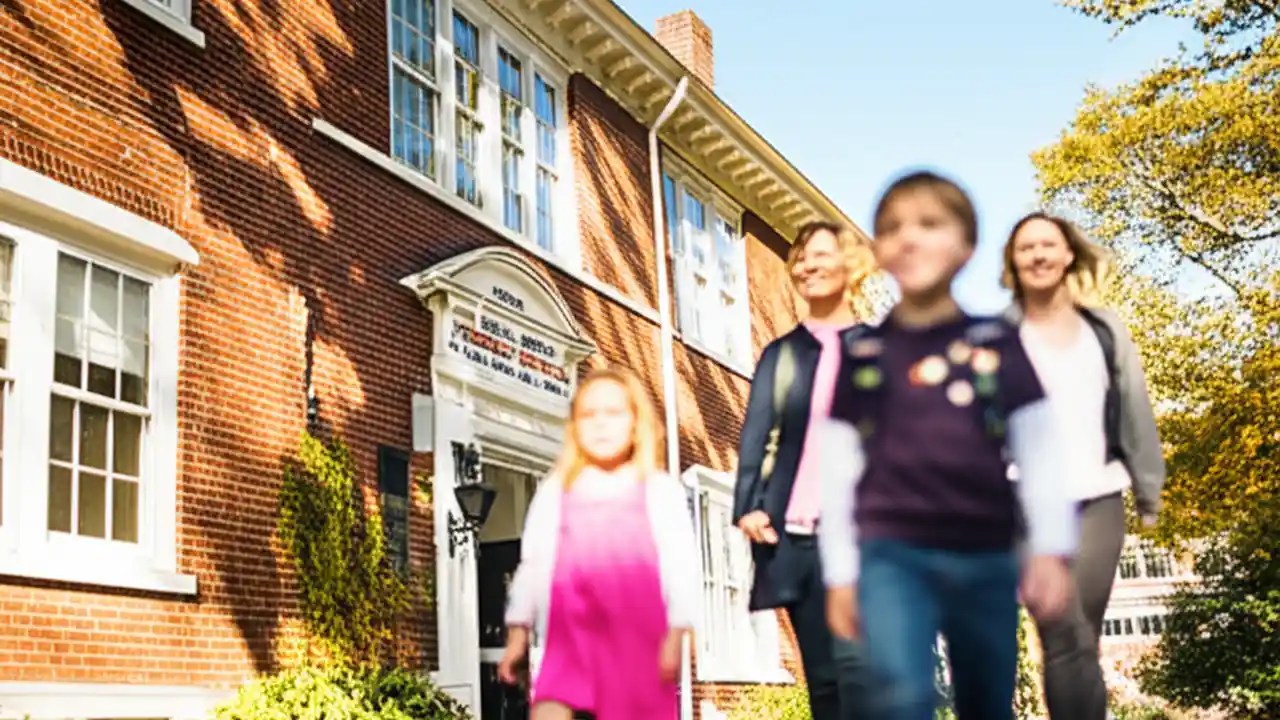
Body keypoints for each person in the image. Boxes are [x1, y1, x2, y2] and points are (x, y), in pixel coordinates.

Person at [818, 170, 1077, 720]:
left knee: (987, 700)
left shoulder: (995, 342)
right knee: (900, 700)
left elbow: (1039, 448)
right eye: (892, 228)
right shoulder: (862, 351)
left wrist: (1051, 548)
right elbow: (837, 464)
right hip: (890, 555)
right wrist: (840, 572)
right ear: (877, 250)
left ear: (967, 246)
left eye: (930, 224)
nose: (909, 238)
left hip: (984, 551)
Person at [1002, 212, 1166, 720]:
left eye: (1048, 244)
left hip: (1098, 497)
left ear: (1069, 253)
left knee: (1081, 634)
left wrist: (1148, 486)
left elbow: (1134, 404)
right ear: (1013, 260)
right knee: (1061, 631)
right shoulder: (997, 335)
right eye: (1026, 247)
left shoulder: (1103, 328)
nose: (1038, 254)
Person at [498, 367, 700, 720]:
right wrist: (518, 631)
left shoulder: (657, 489)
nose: (601, 423)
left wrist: (679, 630)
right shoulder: (557, 490)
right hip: (571, 638)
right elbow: (533, 565)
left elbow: (681, 564)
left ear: (636, 423)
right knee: (547, 709)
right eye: (589, 415)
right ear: (574, 428)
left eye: (614, 413)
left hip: (638, 642)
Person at [733, 220, 875, 719]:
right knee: (826, 682)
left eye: (820, 253)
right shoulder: (782, 355)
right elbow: (757, 433)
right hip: (796, 537)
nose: (806, 264)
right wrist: (749, 504)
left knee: (860, 672)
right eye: (800, 257)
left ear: (851, 265)